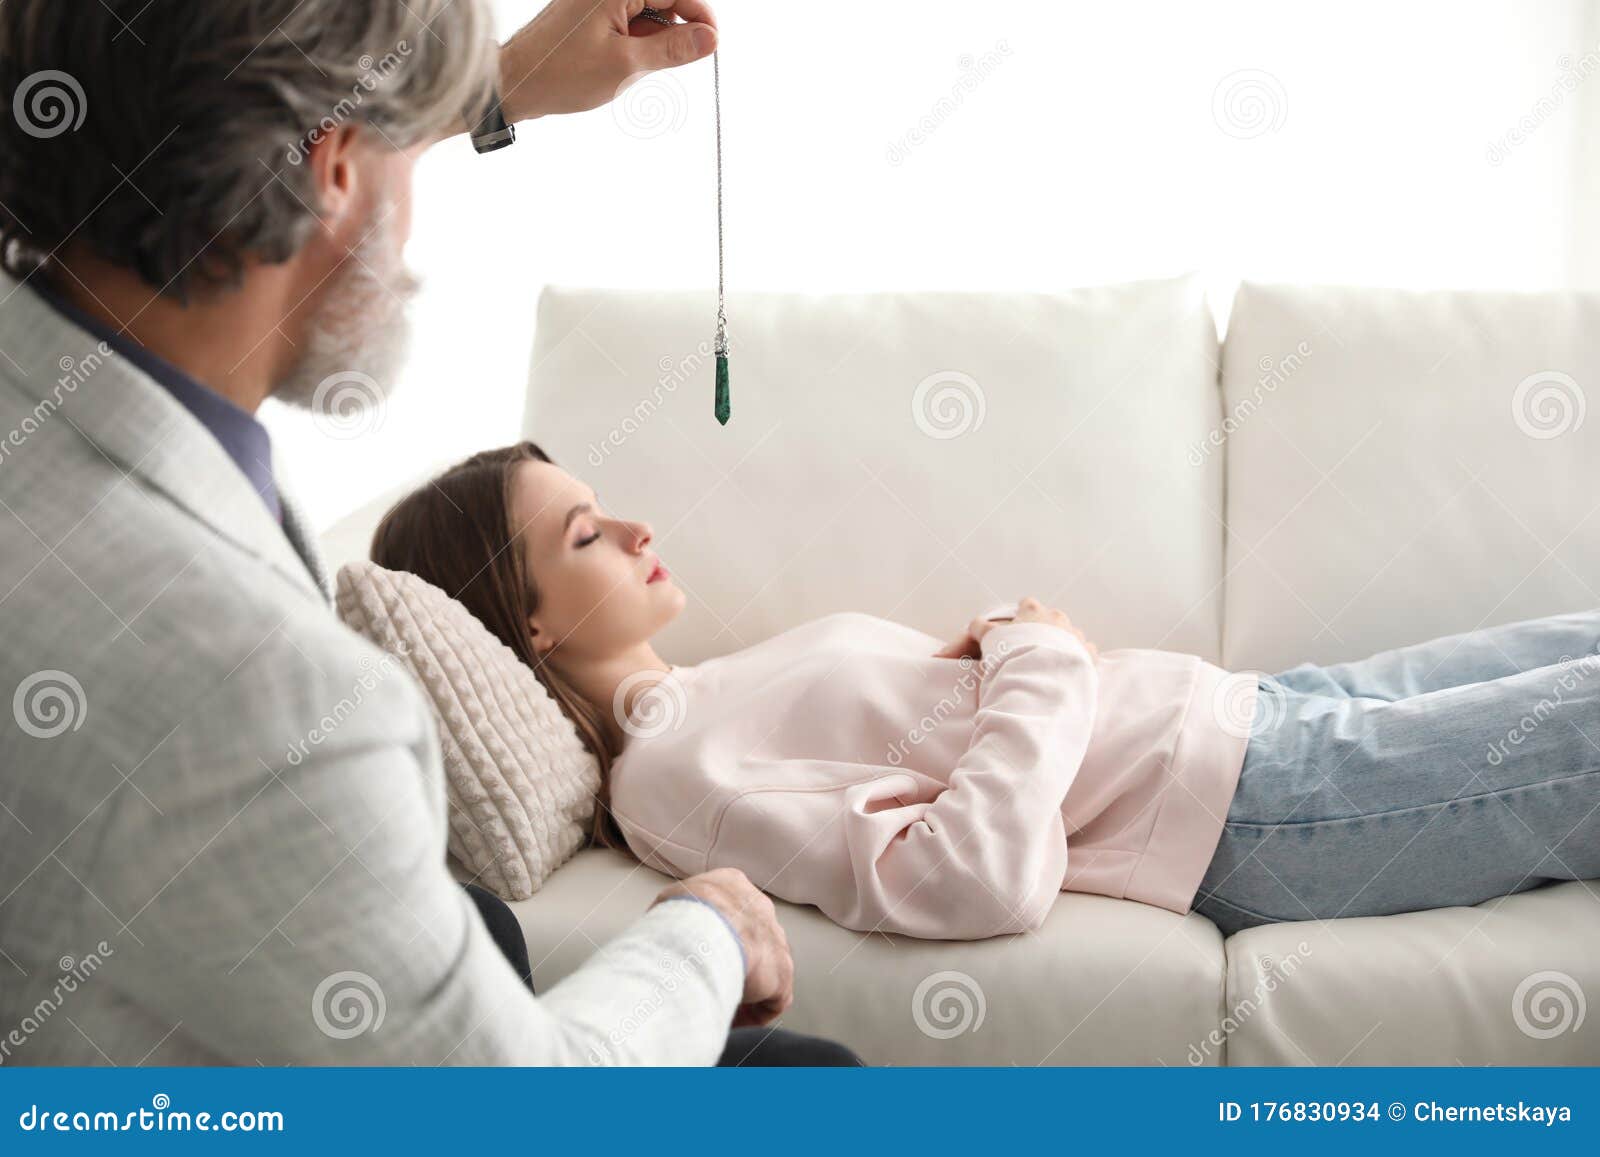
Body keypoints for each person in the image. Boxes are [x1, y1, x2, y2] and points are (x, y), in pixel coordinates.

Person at [0, 0, 858, 1065]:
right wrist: (710, 931)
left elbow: (219, 130)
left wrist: (486, 87)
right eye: (394, 147)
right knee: (811, 1076)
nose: (409, 225)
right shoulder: (267, 695)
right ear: (339, 168)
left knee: (487, 927)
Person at [372, 441, 1600, 940]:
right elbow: (968, 878)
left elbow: (935, 751)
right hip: (1256, 806)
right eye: (588, 534)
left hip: (1256, 709)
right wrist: (1039, 662)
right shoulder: (673, 779)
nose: (638, 526)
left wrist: (977, 659)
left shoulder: (709, 690)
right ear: (524, 620)